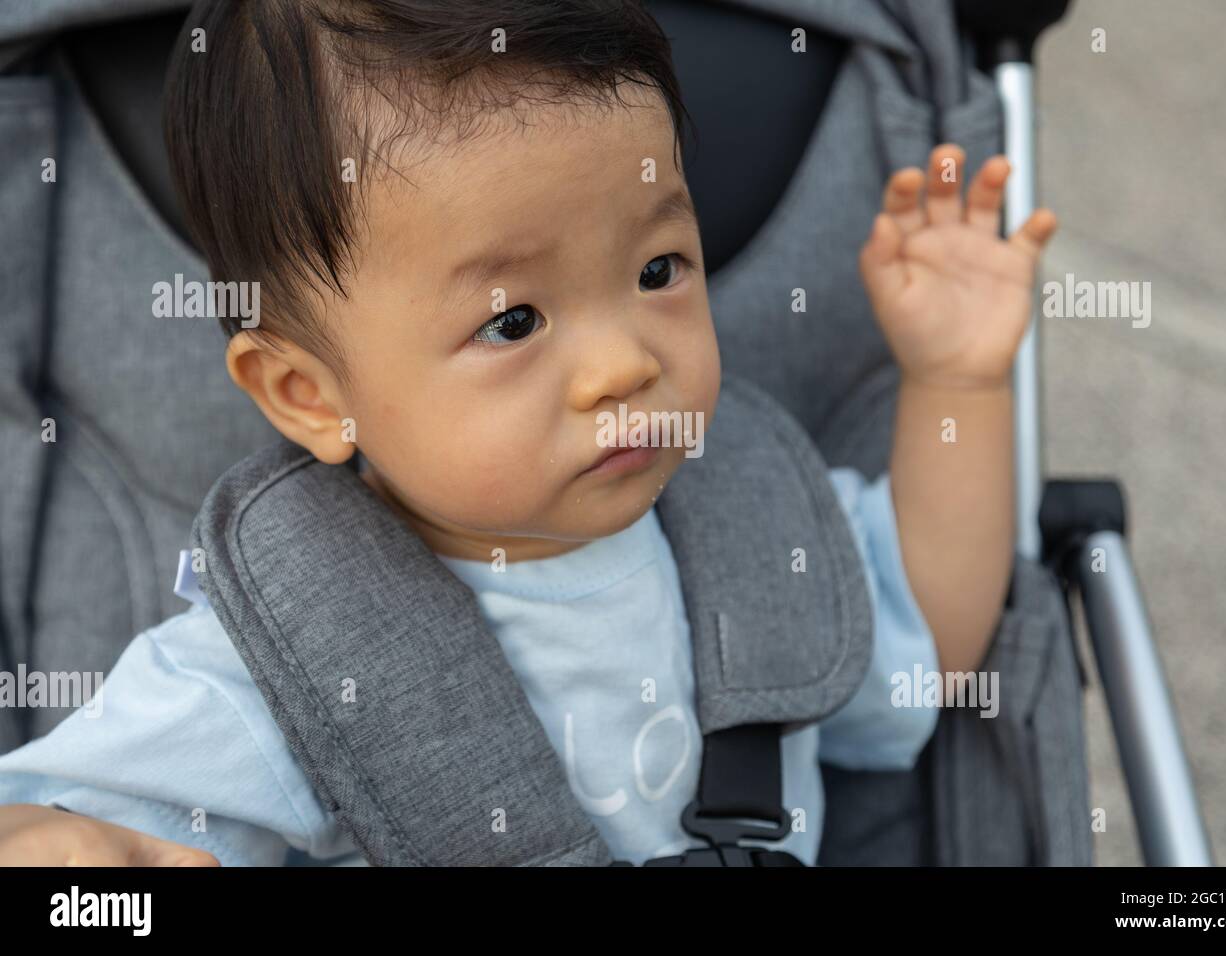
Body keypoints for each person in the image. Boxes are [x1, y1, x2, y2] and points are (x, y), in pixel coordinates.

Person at [0, 0, 1055, 866]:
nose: (622, 364)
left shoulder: (757, 520)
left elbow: (930, 643)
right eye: (512, 322)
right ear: (309, 393)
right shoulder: (276, 662)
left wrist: (953, 378)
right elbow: (48, 832)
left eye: (658, 271)